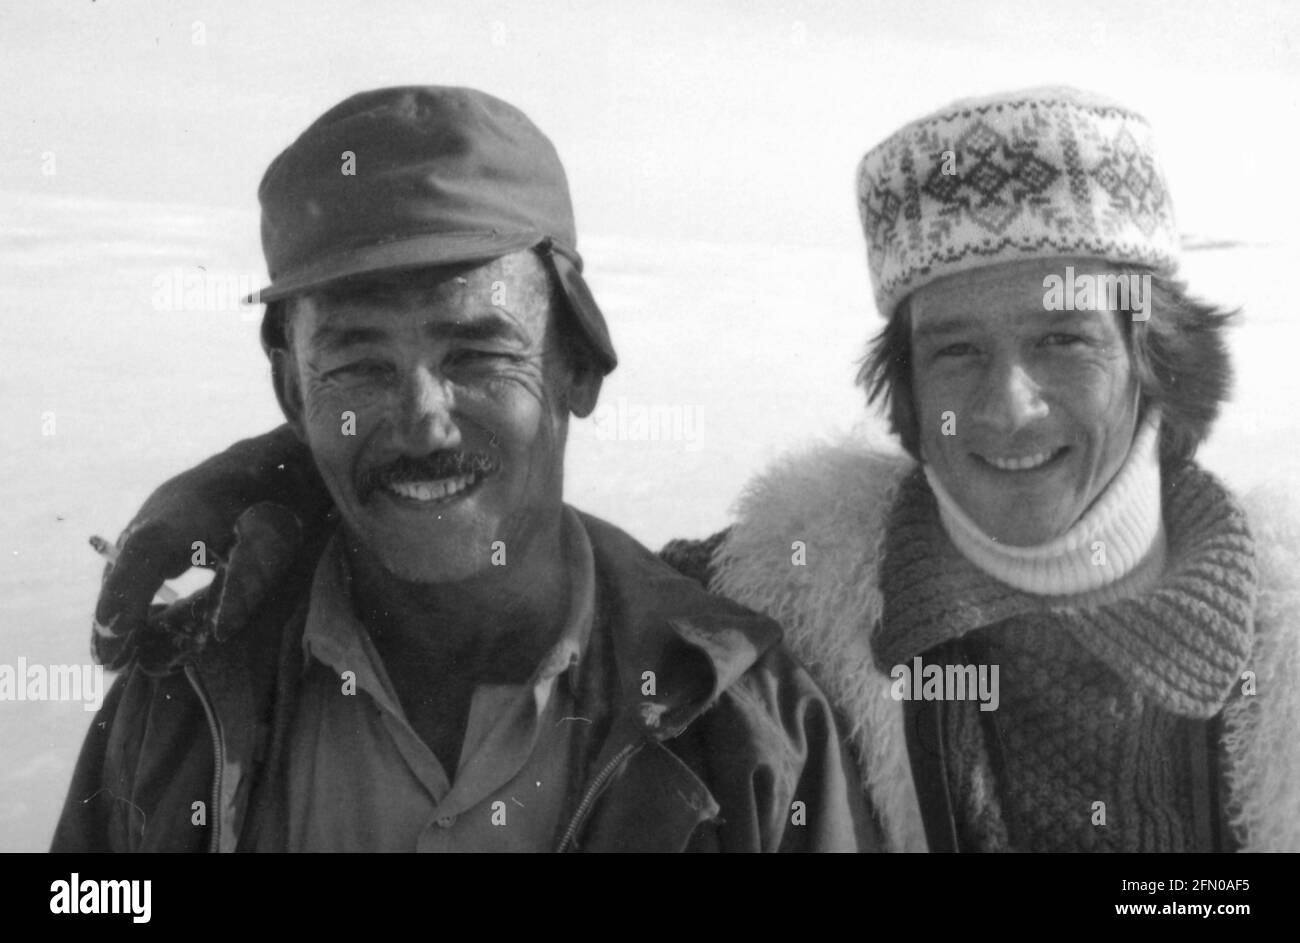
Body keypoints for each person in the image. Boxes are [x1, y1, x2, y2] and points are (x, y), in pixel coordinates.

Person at [52, 86, 870, 853]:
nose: (422, 422)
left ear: (577, 366)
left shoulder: (747, 727)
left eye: (478, 352)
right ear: (291, 392)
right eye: (359, 365)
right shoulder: (182, 709)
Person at [680, 86, 1300, 851]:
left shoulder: (1283, 644)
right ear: (904, 381)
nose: (1008, 408)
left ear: (1151, 356)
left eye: (1063, 340)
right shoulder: (780, 609)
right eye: (957, 350)